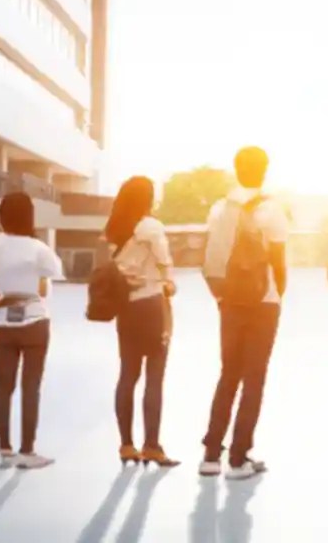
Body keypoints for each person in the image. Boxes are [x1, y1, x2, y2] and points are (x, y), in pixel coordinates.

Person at [200, 146, 290, 480]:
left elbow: (214, 255)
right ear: (264, 170)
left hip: (229, 301)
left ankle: (210, 455)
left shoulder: (220, 208)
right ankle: (239, 459)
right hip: (262, 302)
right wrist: (277, 294)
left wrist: (222, 296)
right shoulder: (271, 210)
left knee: (228, 374)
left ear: (236, 170)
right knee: (254, 379)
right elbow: (279, 261)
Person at [104, 176, 179, 466]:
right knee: (154, 377)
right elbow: (165, 263)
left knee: (127, 375)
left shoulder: (115, 229)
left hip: (127, 308)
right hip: (151, 306)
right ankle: (152, 446)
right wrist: (170, 284)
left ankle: (126, 445)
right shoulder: (150, 227)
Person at [0, 192, 64, 469]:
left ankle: (5, 448)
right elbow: (56, 271)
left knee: (3, 386)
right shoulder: (38, 248)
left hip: (3, 324)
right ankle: (27, 451)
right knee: (30, 388)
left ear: (1, 216)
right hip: (34, 323)